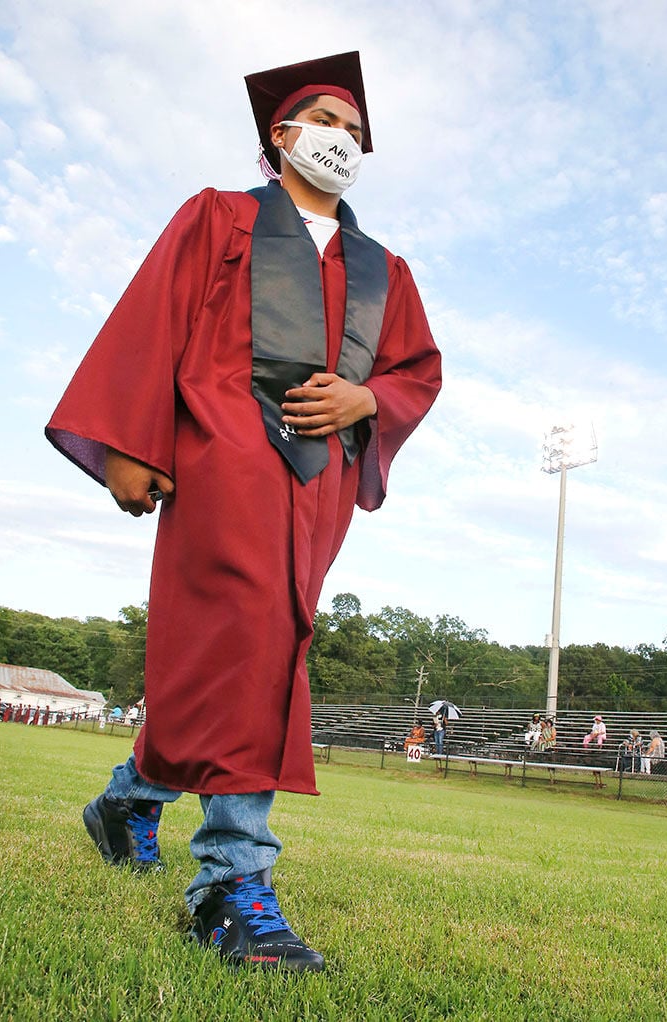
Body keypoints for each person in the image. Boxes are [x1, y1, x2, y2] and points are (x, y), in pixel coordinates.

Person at [45, 51, 441, 973]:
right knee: (247, 636)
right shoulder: (219, 216)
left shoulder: (387, 269)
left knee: (255, 648)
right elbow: (155, 315)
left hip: (319, 483)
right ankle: (229, 879)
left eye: (353, 126)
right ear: (281, 134)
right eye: (325, 119)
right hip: (222, 454)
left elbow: (416, 369)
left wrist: (368, 401)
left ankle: (130, 797)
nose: (341, 136)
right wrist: (130, 441)